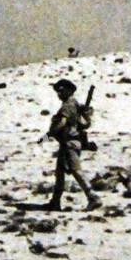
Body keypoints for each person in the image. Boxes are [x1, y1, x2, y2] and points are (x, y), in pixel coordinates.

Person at [46, 78, 99, 211]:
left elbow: (62, 123)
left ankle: (93, 196)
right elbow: (86, 124)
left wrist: (50, 134)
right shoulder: (76, 105)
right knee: (59, 173)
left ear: (69, 90)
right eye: (58, 91)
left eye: (61, 91)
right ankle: (55, 202)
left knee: (76, 170)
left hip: (69, 142)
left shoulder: (68, 105)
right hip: (68, 142)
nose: (59, 94)